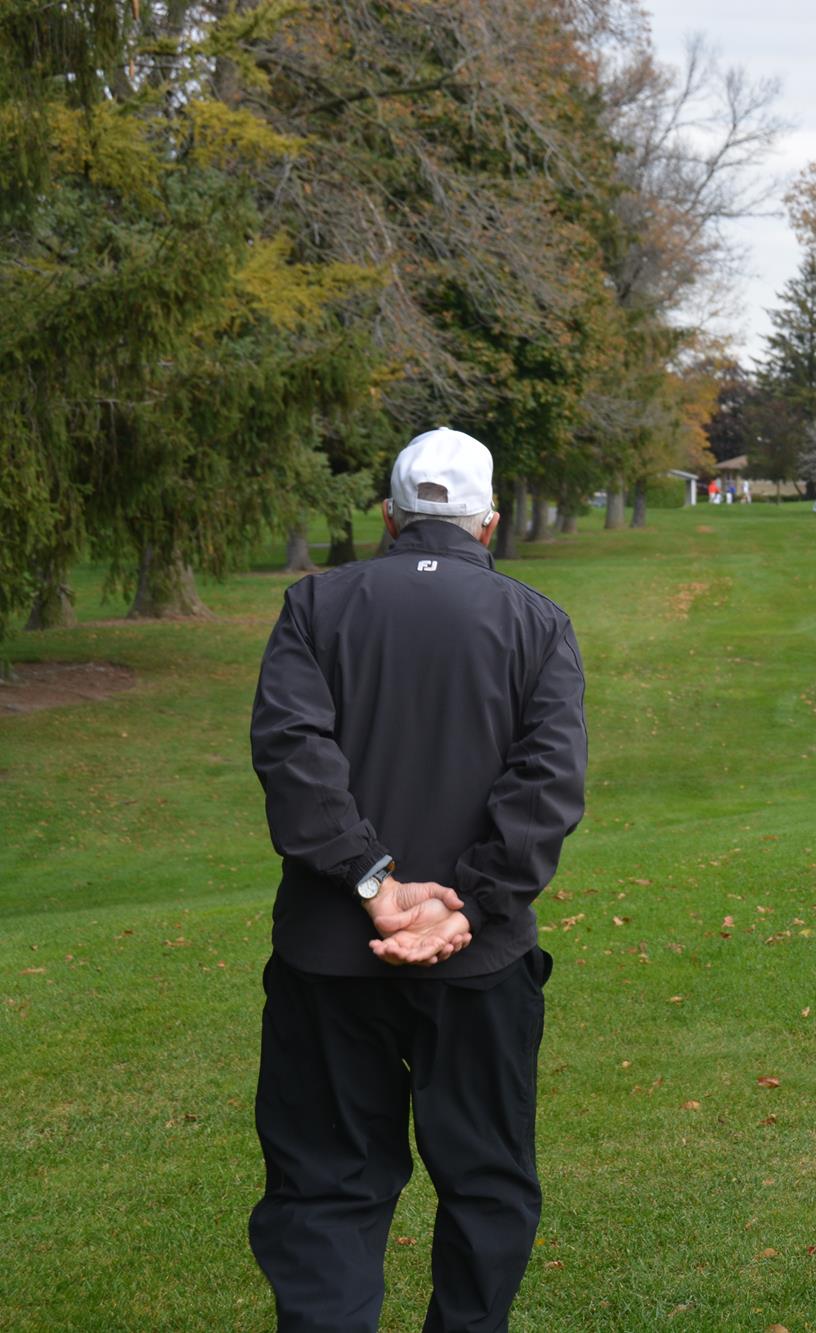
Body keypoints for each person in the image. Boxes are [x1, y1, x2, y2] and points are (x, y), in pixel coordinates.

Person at [248, 428, 587, 1333]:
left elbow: (293, 755)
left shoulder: (315, 605)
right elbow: (548, 784)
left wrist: (372, 882)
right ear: (488, 524)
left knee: (325, 1187)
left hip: (332, 956)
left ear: (390, 516)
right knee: (484, 1180)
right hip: (478, 966)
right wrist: (464, 904)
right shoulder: (537, 621)